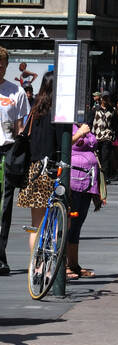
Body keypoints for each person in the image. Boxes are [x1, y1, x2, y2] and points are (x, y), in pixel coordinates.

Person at [16, 74, 59, 256]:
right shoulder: (57, 112)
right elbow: (61, 143)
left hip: (34, 170)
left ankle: (36, 266)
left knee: (37, 225)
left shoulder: (35, 110)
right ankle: (51, 267)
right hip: (51, 170)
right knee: (56, 223)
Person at [0, 46, 30, 275]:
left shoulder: (16, 92)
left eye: (1, 65)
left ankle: (1, 256)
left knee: (4, 207)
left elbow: (22, 126)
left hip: (7, 152)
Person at [66, 121, 103, 277]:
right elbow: (65, 145)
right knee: (69, 224)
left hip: (88, 181)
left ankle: (74, 264)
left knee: (77, 224)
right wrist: (80, 133)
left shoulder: (82, 123)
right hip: (73, 181)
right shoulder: (67, 125)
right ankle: (66, 266)